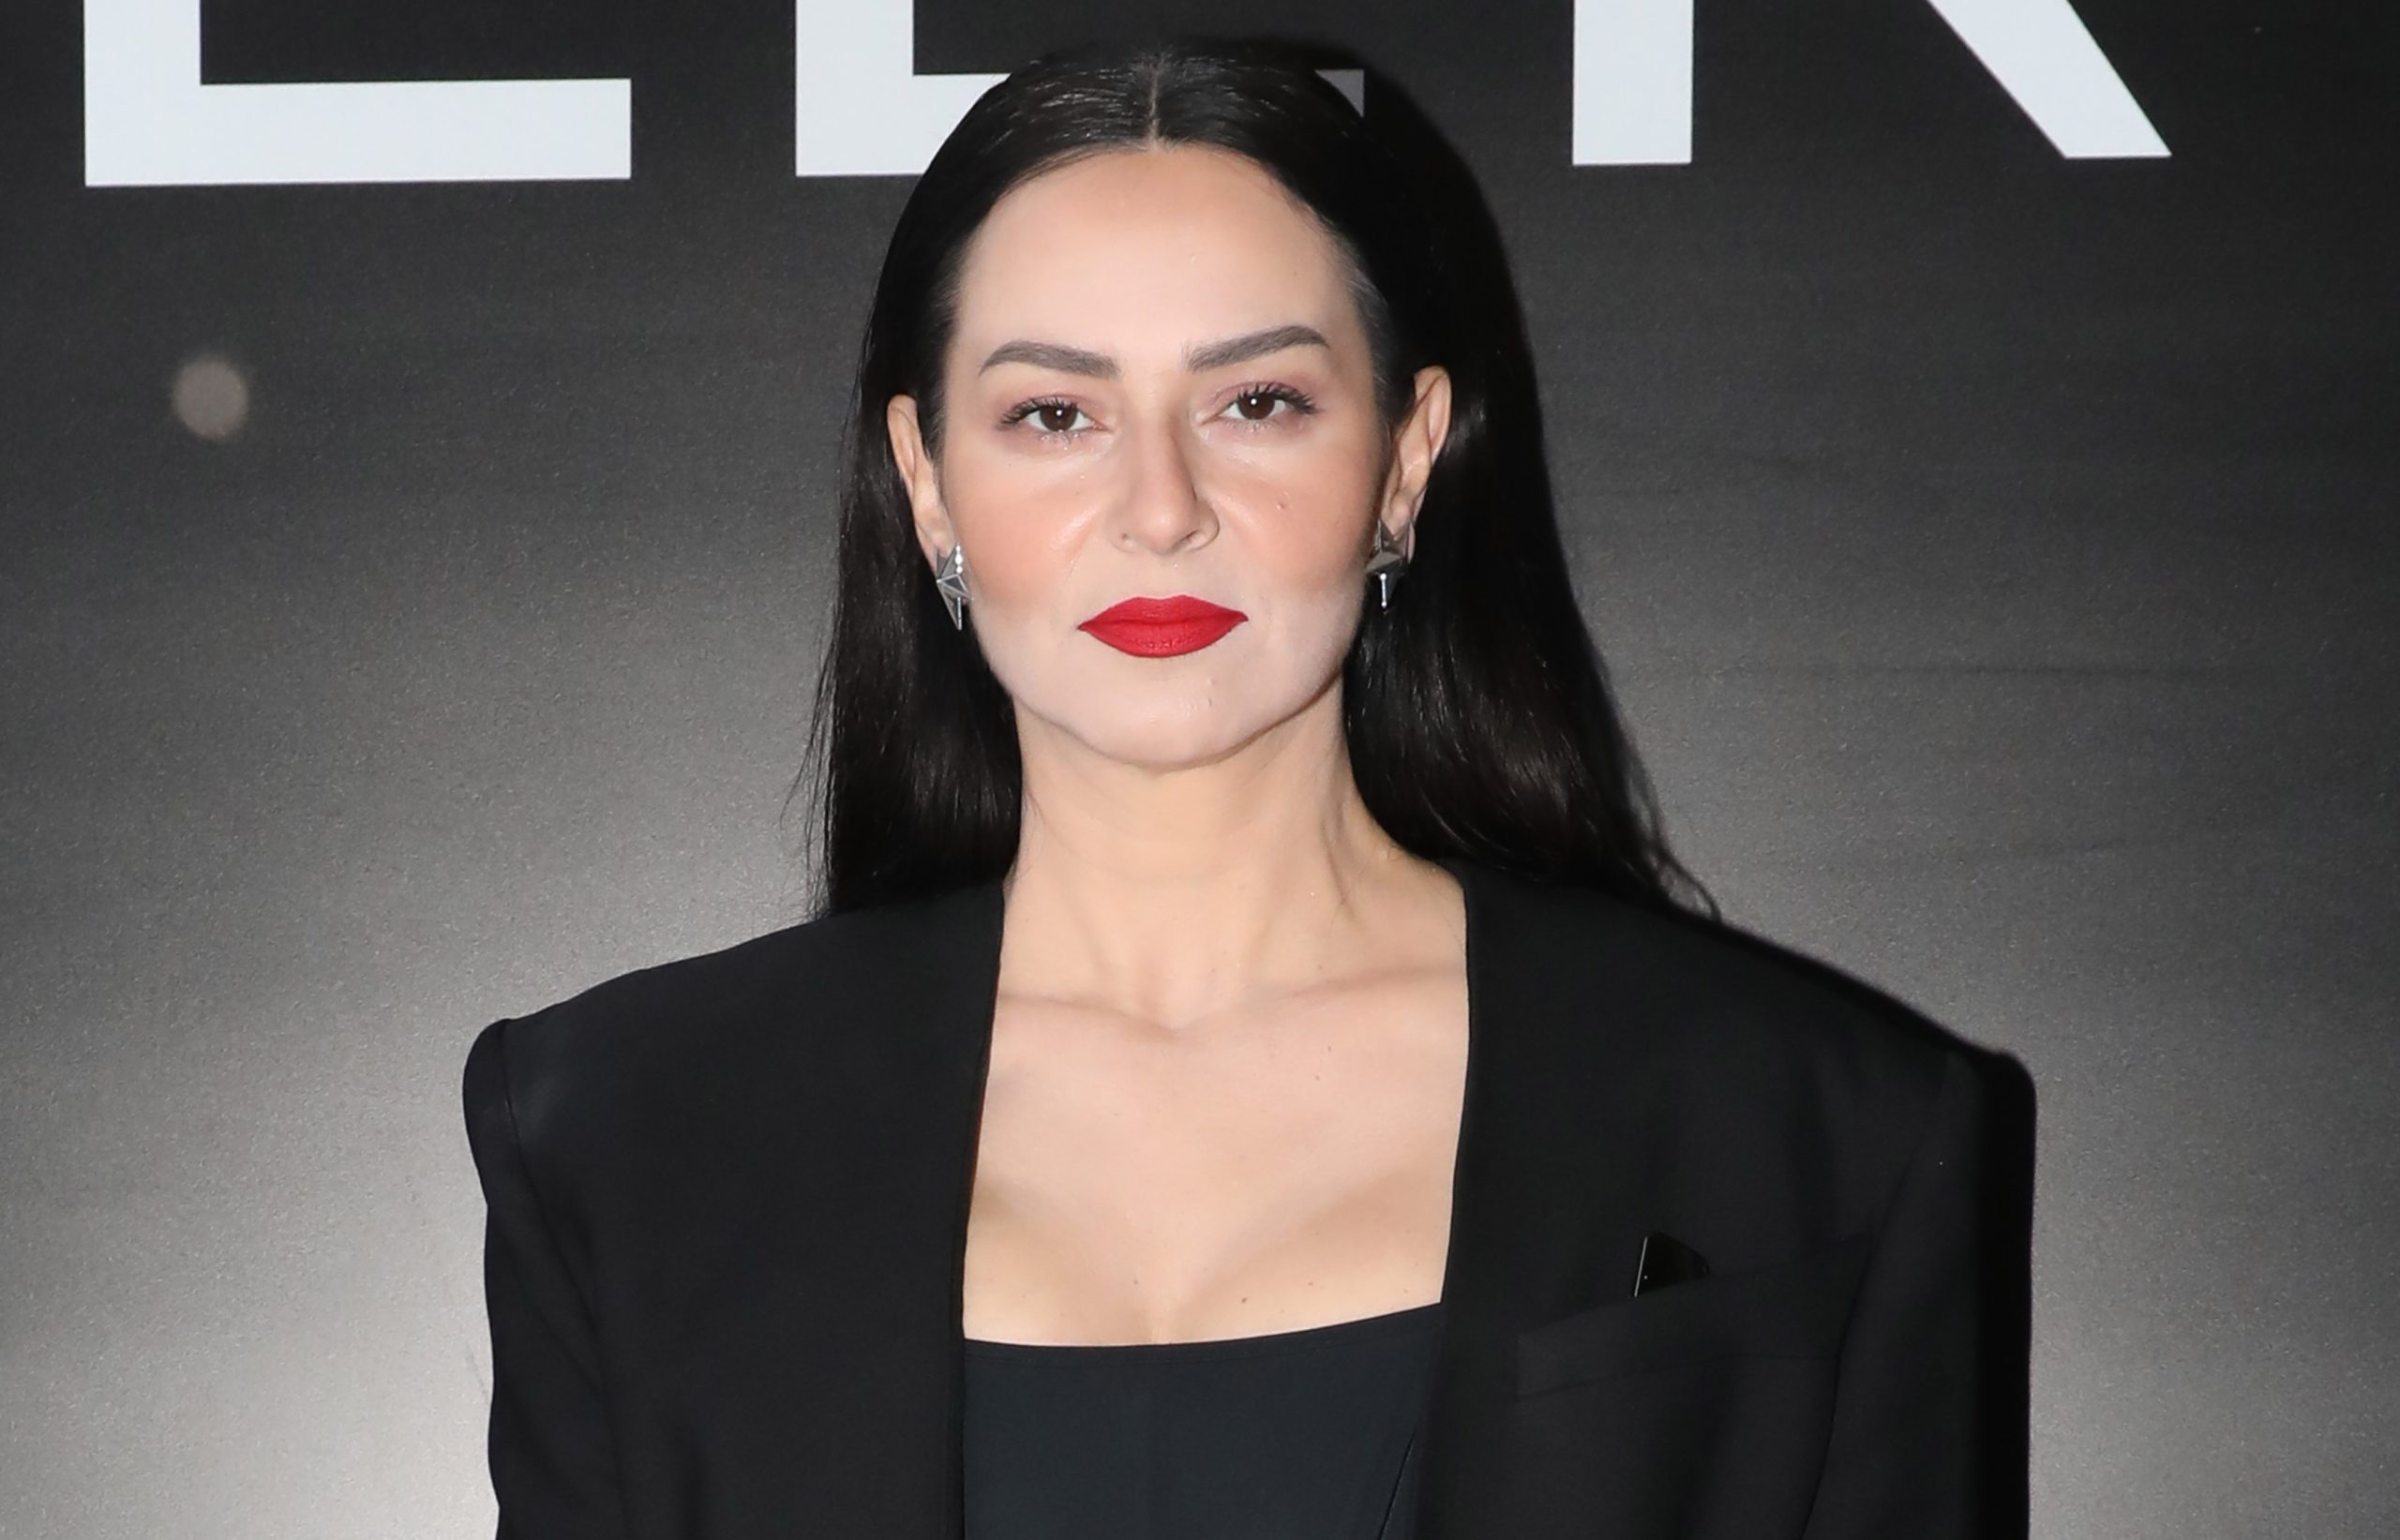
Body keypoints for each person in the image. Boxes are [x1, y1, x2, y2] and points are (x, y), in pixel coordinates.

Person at [461, 34, 2026, 1540]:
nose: (1162, 510)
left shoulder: (1813, 1125)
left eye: (1257, 402)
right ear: (928, 482)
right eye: (1054, 414)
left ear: (1405, 460)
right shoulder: (625, 1133)